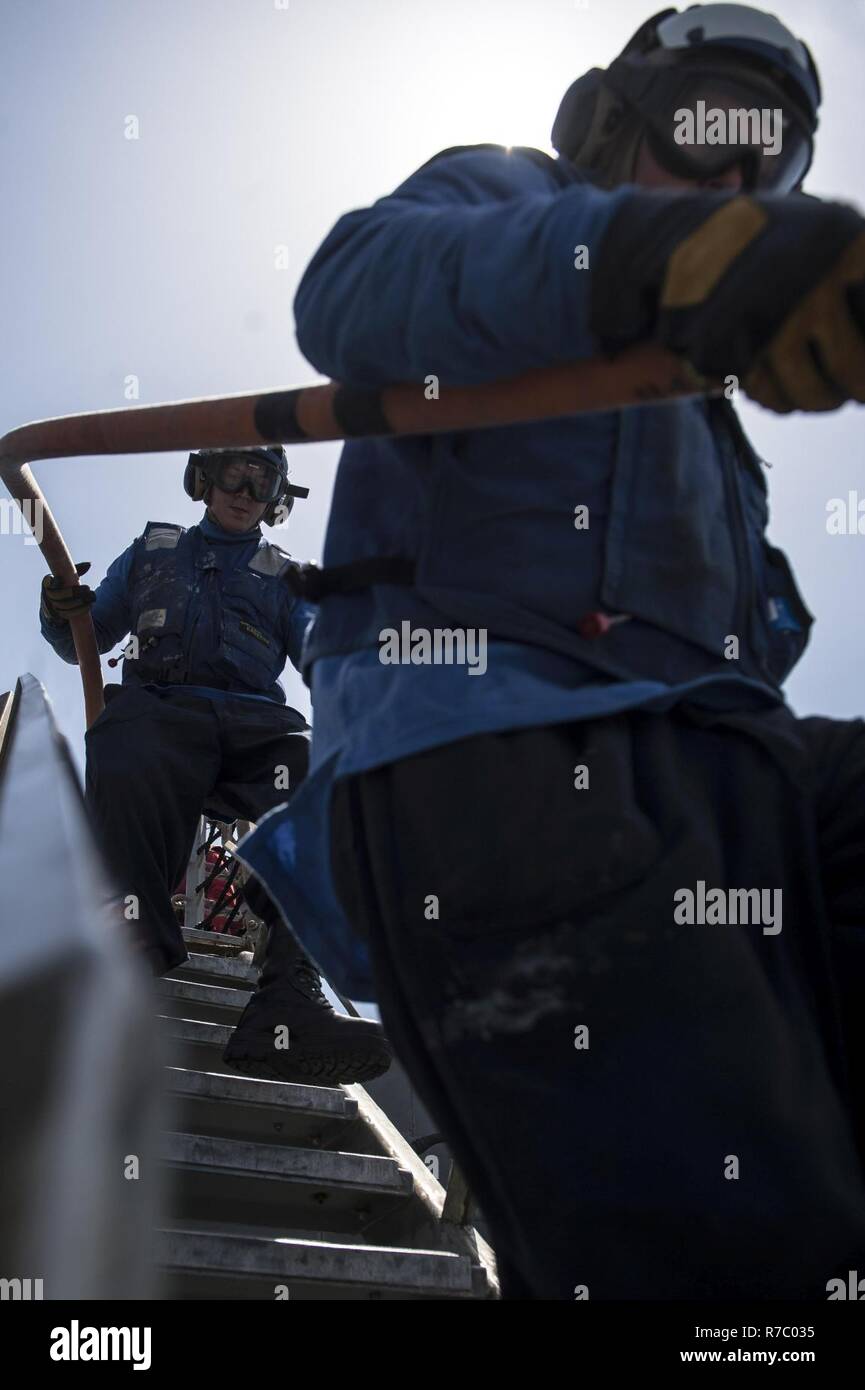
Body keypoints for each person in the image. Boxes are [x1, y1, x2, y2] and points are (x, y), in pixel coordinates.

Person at [238, 4, 865, 1297]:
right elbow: (347, 289)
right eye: (714, 134)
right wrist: (651, 254)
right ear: (623, 115)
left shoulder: (711, 433)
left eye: (776, 167)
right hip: (508, 760)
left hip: (731, 781)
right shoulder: (505, 196)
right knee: (734, 1264)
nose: (740, 183)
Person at [39, 445, 391, 1085]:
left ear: (277, 499)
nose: (246, 490)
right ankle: (128, 965)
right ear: (204, 478)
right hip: (162, 711)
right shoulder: (153, 551)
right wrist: (58, 608)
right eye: (235, 473)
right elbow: (79, 640)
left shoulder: (286, 576)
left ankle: (288, 1003)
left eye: (263, 481)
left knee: (328, 789)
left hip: (257, 726)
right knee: (121, 745)